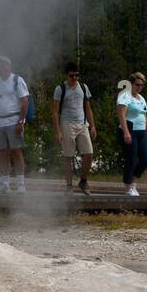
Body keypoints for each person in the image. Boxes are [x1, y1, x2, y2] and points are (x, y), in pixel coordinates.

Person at [52, 61, 96, 194]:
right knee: (68, 156)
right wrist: (58, 131)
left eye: (77, 75)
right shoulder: (60, 89)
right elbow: (55, 111)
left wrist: (93, 125)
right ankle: (69, 186)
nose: (75, 78)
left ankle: (83, 181)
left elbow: (88, 108)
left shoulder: (83, 87)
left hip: (82, 124)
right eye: (72, 76)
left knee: (88, 153)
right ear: (67, 75)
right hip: (67, 124)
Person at [0, 55, 29, 193]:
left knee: (16, 151)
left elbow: (24, 102)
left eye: (5, 65)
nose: (2, 67)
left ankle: (21, 184)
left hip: (13, 120)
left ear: (9, 66)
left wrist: (21, 122)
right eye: (0, 65)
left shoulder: (17, 80)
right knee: (2, 152)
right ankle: (5, 184)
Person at [117, 72, 147, 196]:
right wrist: (126, 132)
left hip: (141, 131)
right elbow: (121, 115)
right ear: (131, 84)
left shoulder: (141, 98)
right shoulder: (124, 96)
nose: (139, 87)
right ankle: (128, 187)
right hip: (130, 130)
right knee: (131, 159)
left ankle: (133, 183)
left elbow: (144, 114)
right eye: (137, 84)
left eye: (142, 85)